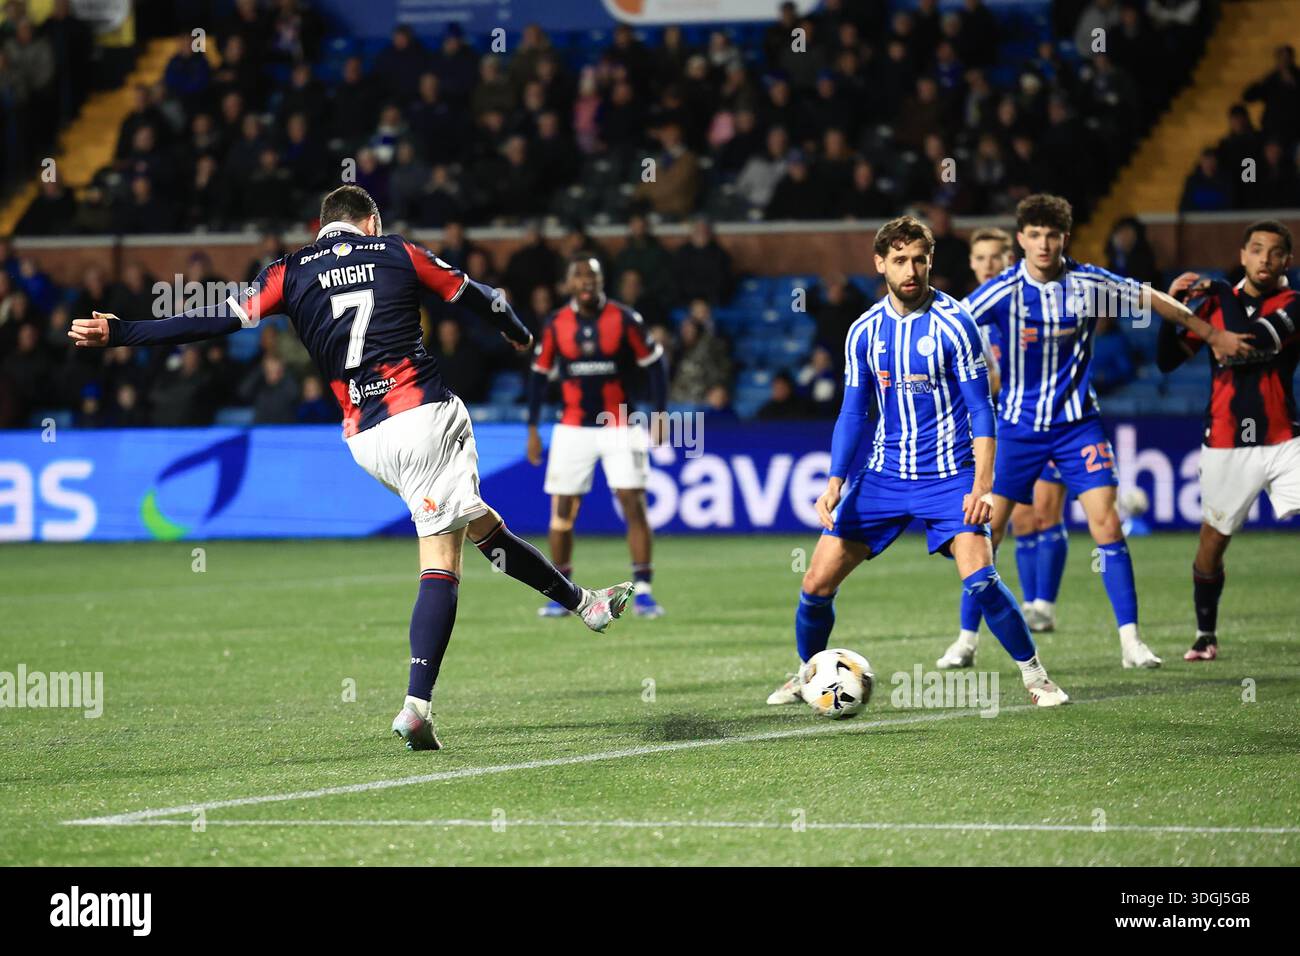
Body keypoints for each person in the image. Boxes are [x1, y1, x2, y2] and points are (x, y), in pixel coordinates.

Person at [68, 185, 634, 751]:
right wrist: (518, 331)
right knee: (443, 557)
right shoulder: (397, 251)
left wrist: (123, 332)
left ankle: (585, 604)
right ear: (371, 221)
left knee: (477, 519)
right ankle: (416, 705)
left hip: (366, 439)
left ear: (321, 227)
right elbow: (482, 298)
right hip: (424, 415)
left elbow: (214, 321)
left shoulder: (287, 272)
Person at [938, 194, 1253, 671]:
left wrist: (1212, 335)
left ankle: (1131, 642)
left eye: (1053, 235)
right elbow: (949, 324)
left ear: (1065, 238)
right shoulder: (1001, 291)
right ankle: (965, 640)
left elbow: (1150, 299)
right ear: (1021, 239)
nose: (1044, 244)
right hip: (1017, 429)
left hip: (1077, 427)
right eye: (1035, 235)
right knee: (986, 531)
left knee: (1107, 525)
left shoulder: (1089, 283)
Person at [765, 215, 1070, 709]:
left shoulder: (955, 324)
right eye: (901, 260)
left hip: (951, 478)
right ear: (880, 264)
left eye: (920, 260)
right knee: (815, 584)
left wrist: (983, 486)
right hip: (885, 476)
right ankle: (809, 675)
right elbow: (852, 412)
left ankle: (1036, 677)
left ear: (931, 263)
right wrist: (834, 481)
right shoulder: (863, 331)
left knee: (981, 579)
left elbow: (981, 409)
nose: (911, 270)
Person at [1158, 220, 1300, 661]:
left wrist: (1217, 291)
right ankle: (1205, 634)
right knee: (1212, 543)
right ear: (1243, 255)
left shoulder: (1293, 302)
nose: (1265, 259)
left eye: (1275, 252)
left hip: (1283, 440)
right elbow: (1166, 361)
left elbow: (1246, 343)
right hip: (1224, 442)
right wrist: (1177, 306)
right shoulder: (1217, 304)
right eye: (1256, 250)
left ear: (1286, 261)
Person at [940, 227, 1071, 670]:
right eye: (980, 258)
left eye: (996, 257)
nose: (988, 264)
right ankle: (968, 637)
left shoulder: (1022, 307)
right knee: (986, 531)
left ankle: (1041, 606)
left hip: (1033, 423)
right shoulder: (963, 317)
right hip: (988, 433)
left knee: (1039, 516)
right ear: (972, 263)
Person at [526, 256, 669, 618]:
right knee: (561, 513)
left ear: (602, 280)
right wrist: (532, 428)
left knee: (633, 504)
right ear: (570, 283)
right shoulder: (556, 323)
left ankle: (645, 592)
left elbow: (655, 366)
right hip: (572, 428)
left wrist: (661, 413)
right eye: (580, 276)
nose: (586, 282)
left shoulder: (624, 319)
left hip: (620, 423)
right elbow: (539, 377)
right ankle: (562, 593)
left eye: (592, 276)